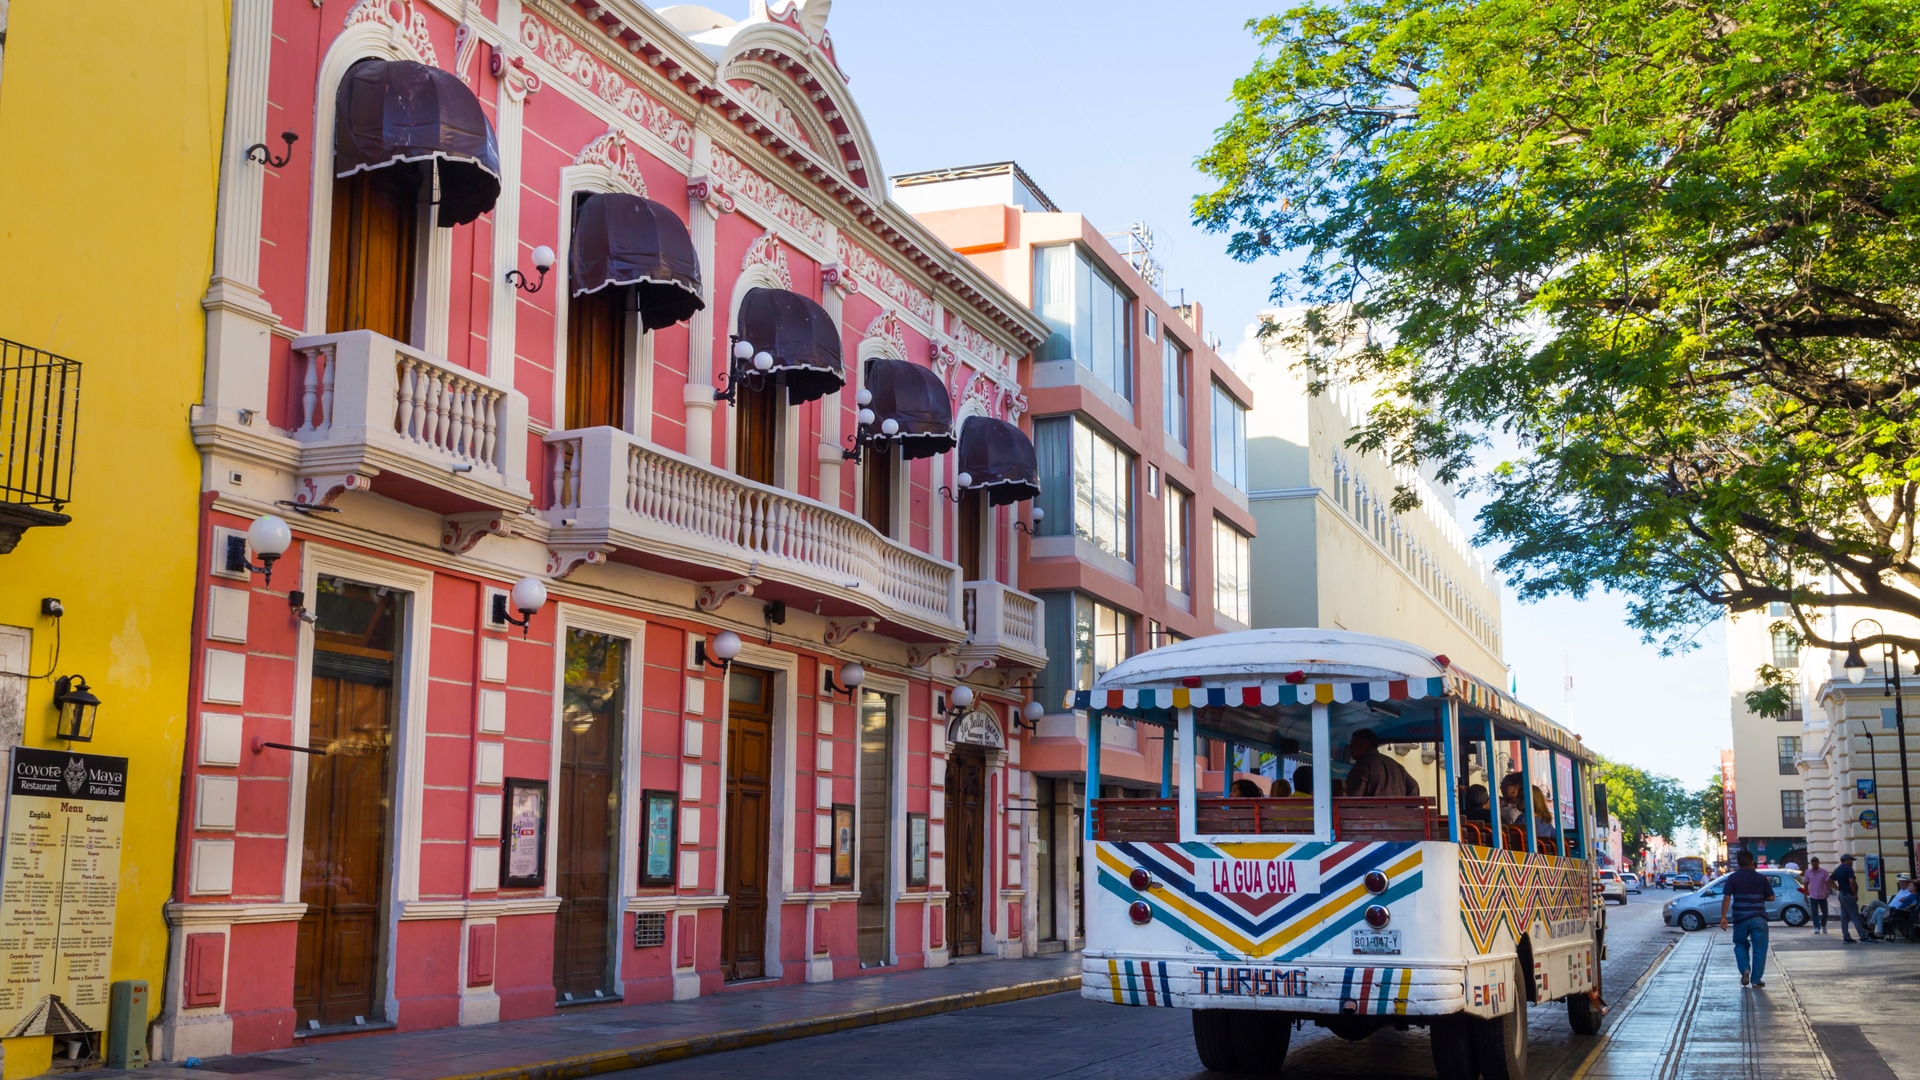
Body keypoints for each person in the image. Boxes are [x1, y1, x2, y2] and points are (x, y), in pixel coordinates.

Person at [1719, 849, 1776, 987]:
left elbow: (1726, 898)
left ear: (1739, 863)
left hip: (1740, 919)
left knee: (1740, 945)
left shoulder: (1733, 878)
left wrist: (1723, 917)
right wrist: (1760, 897)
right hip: (1759, 918)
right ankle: (1756, 979)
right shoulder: (1761, 878)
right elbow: (1771, 897)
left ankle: (1745, 969)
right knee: (1760, 948)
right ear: (1752, 861)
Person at [1344, 730, 1420, 797]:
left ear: (1366, 745)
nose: (1351, 748)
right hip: (1397, 809)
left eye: (1354, 744)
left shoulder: (1361, 766)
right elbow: (1413, 785)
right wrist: (1408, 807)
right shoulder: (1395, 765)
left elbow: (1354, 799)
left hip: (1371, 809)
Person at [1832, 853, 1870, 943]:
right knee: (1855, 916)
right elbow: (1852, 882)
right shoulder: (1848, 869)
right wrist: (1855, 894)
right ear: (1846, 860)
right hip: (1848, 895)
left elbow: (1829, 880)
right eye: (1851, 860)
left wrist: (1838, 888)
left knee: (1844, 917)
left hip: (1842, 894)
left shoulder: (1838, 869)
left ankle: (1846, 936)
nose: (1852, 862)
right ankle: (1863, 936)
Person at [1804, 857, 1831, 935]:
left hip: (1823, 895)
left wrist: (1828, 891)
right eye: (1813, 862)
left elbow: (1828, 882)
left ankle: (1823, 924)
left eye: (1816, 862)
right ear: (1811, 863)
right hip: (1813, 895)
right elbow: (1806, 883)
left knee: (1825, 912)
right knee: (1814, 912)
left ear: (1818, 863)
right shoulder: (1808, 872)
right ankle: (1816, 927)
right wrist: (1805, 895)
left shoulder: (1824, 872)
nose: (1814, 863)